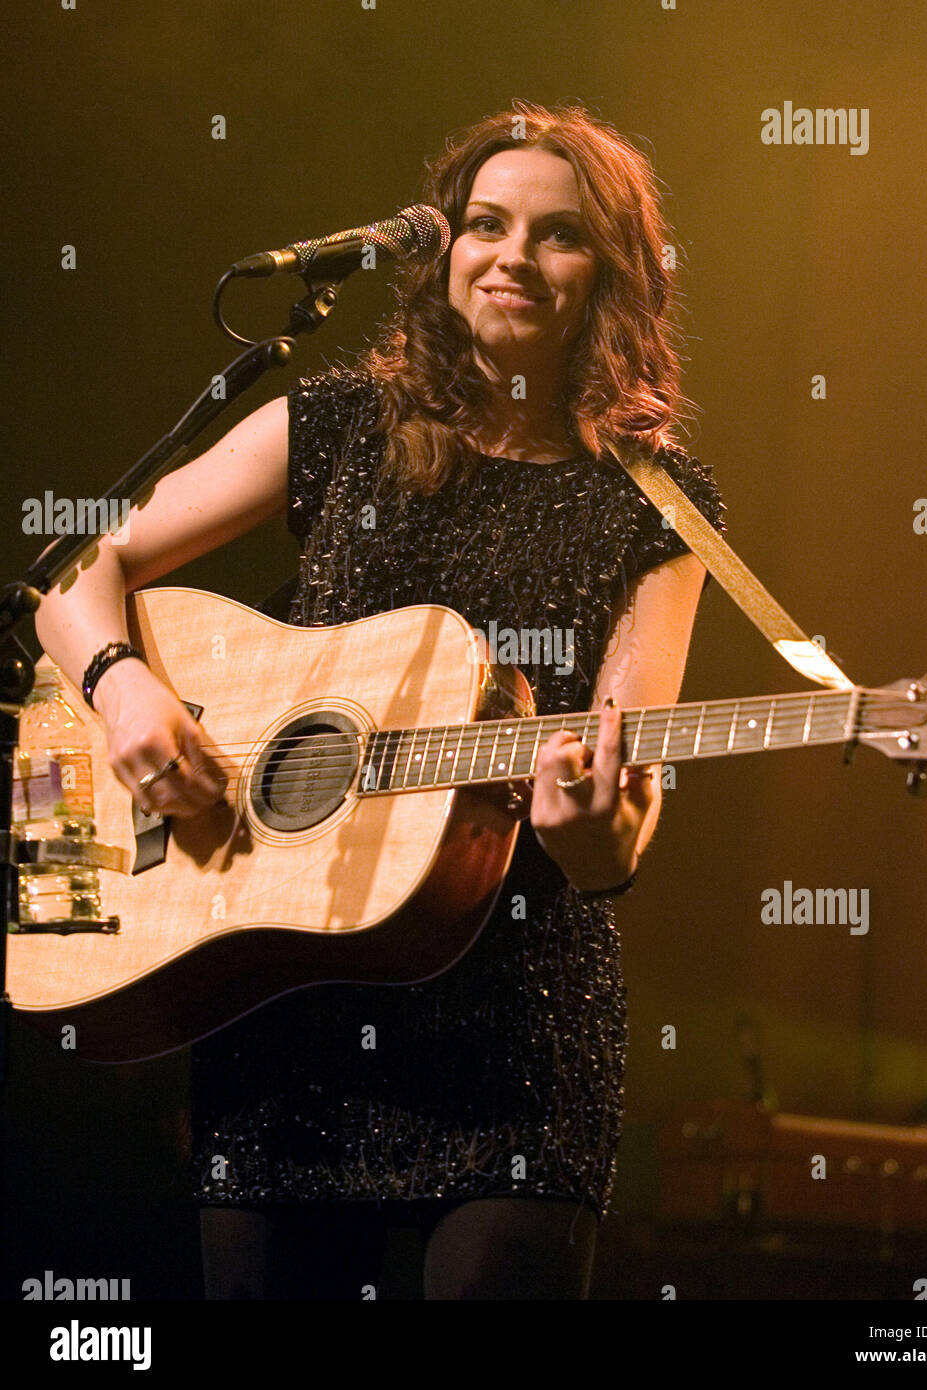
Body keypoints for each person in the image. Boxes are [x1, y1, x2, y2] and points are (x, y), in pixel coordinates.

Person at [35, 100, 725, 1300]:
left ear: (609, 277)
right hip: (283, 1017)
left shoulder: (660, 503)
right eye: (483, 224)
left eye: (556, 235)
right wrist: (124, 685)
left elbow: (624, 813)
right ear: (440, 248)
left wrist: (595, 830)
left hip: (517, 1031)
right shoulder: (334, 424)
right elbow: (70, 569)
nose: (511, 255)